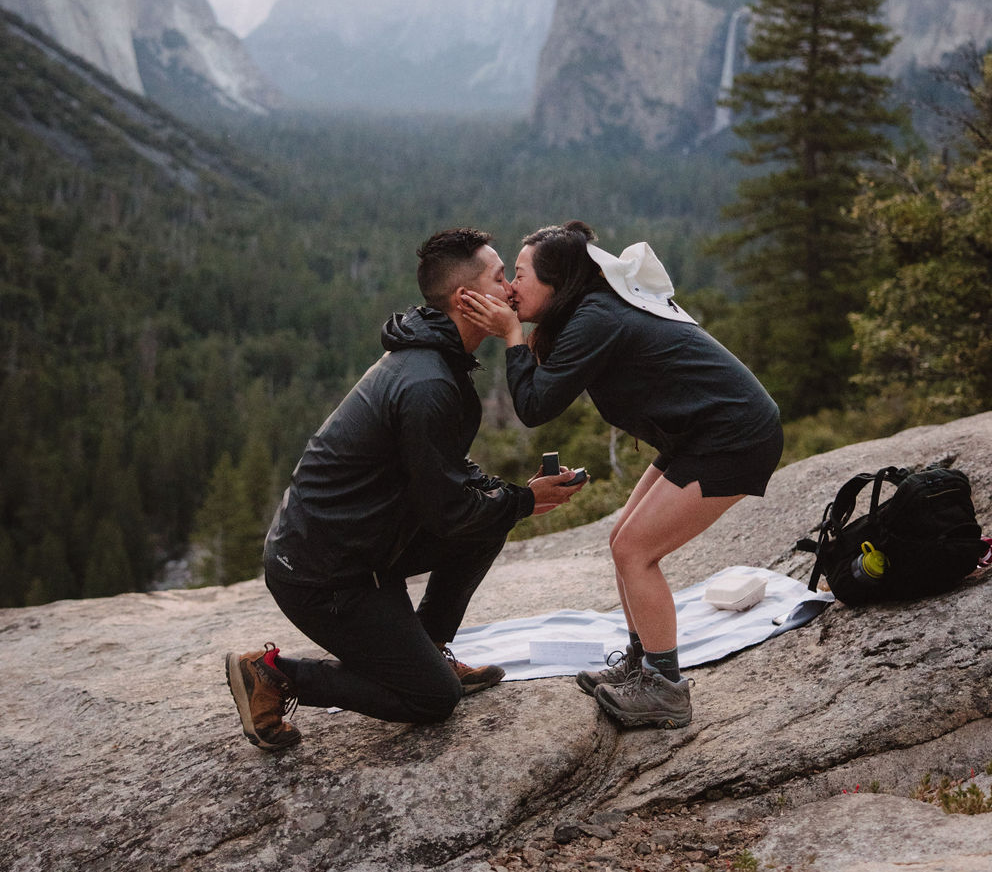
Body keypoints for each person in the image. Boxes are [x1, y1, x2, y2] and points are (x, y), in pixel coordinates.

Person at [226, 227, 582, 751]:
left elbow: (445, 472)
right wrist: (523, 501)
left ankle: (428, 643)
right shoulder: (427, 382)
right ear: (466, 298)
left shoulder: (437, 360)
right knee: (432, 700)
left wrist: (513, 497)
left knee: (491, 520)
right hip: (326, 575)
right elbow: (449, 512)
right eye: (500, 276)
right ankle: (276, 674)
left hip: (369, 547)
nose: (510, 289)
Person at [459, 220, 783, 732]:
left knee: (636, 550)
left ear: (557, 280)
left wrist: (512, 337)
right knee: (621, 540)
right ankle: (642, 664)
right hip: (700, 434)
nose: (511, 288)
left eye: (519, 275)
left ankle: (665, 690)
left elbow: (534, 406)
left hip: (733, 437)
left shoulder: (598, 317)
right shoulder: (591, 311)